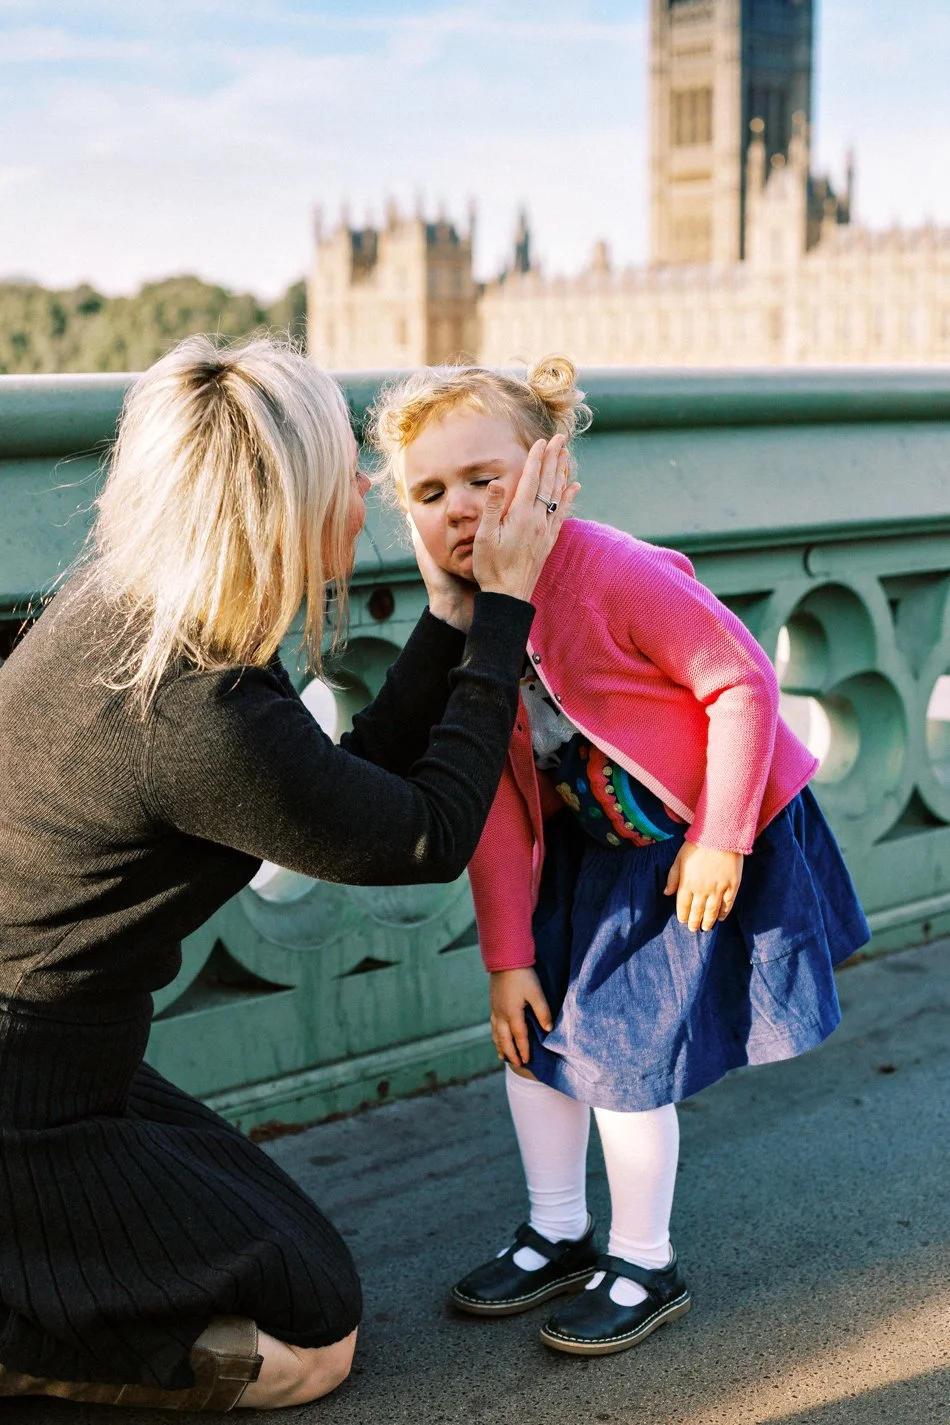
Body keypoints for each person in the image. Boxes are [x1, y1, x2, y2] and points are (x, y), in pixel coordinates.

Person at [0, 335, 577, 1410]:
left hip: (76, 1067)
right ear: (284, 504)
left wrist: (452, 614)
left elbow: (341, 790)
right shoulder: (196, 712)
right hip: (26, 1098)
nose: (368, 487)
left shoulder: (132, 615)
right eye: (339, 472)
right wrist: (504, 609)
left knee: (288, 1265)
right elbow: (424, 837)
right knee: (310, 1338)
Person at [370, 356, 870, 1358]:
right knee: (534, 1040)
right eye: (430, 493)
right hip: (586, 849)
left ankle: (644, 1258)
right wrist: (506, 960)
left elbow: (738, 680)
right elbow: (499, 810)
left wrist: (718, 839)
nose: (462, 508)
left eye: (485, 478)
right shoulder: (480, 624)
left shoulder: (609, 574)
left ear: (554, 475)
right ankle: (556, 1229)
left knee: (622, 1065)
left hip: (689, 840)